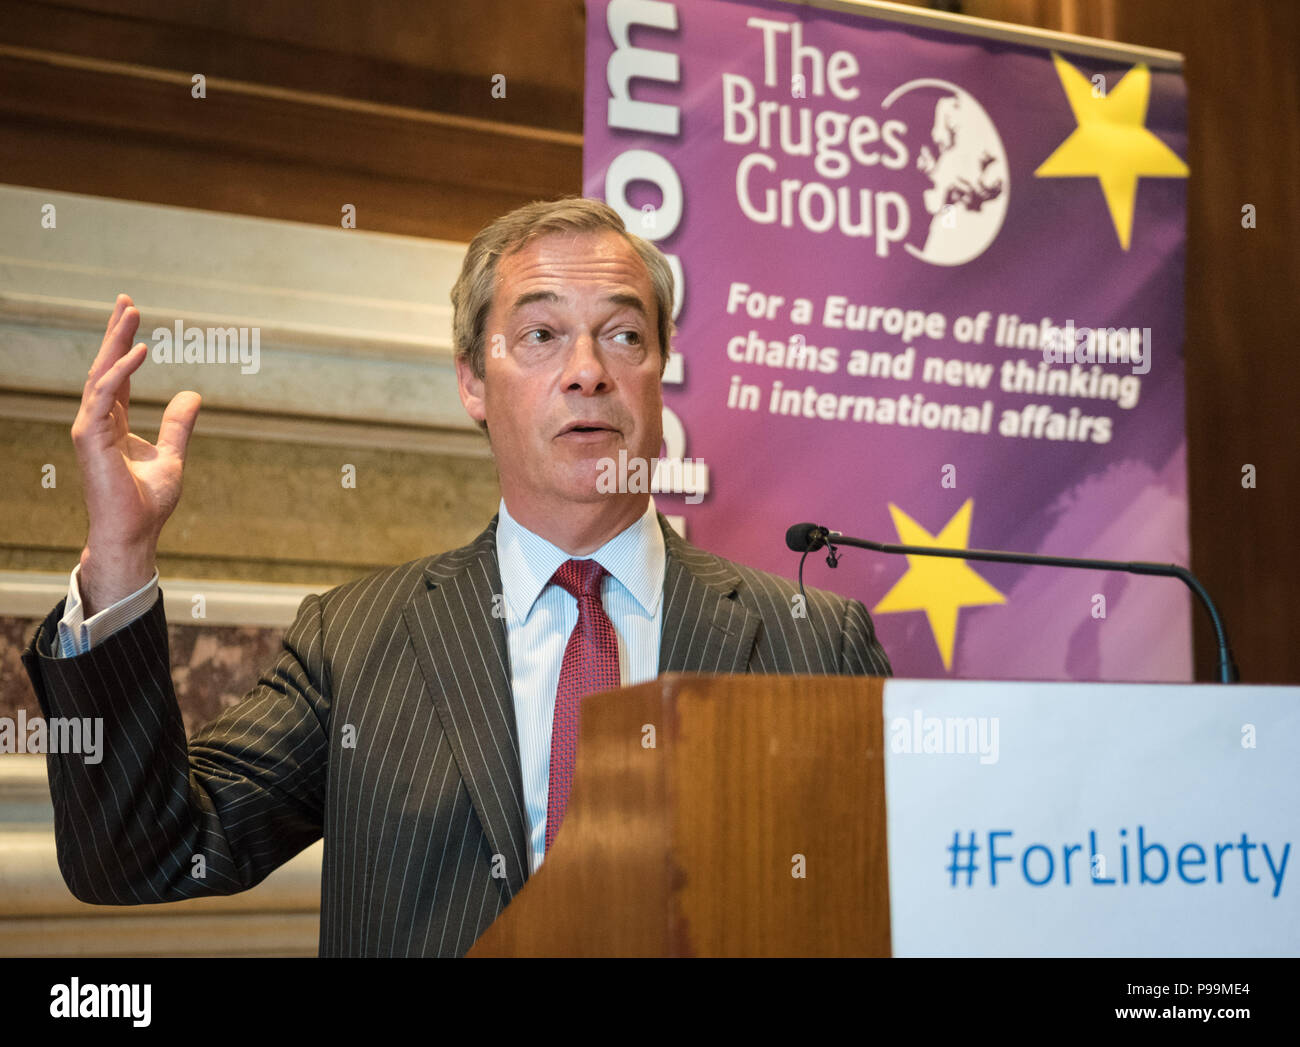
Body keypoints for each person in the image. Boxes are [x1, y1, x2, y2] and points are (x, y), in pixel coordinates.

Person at [21, 197, 891, 957]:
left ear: (660, 372)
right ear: (474, 381)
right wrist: (121, 558)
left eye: (624, 335)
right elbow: (142, 852)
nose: (588, 371)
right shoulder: (358, 640)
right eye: (542, 335)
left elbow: (891, 907)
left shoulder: (808, 638)